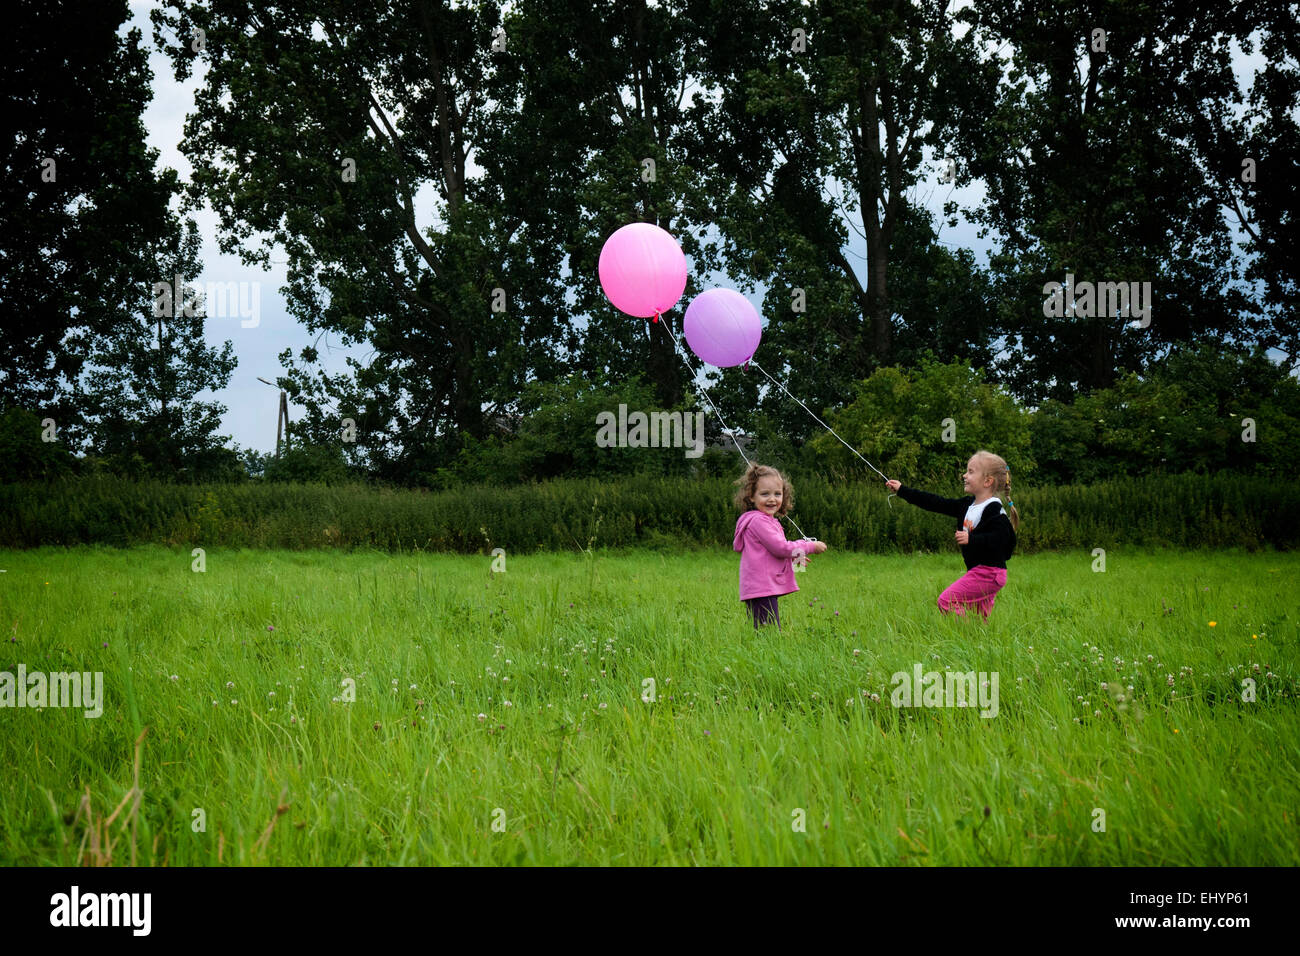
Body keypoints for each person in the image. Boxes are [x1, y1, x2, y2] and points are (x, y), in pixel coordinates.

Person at [885, 450, 1020, 619]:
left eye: (970, 472)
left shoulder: (993, 510)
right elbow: (936, 503)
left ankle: (967, 631)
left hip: (989, 573)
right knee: (980, 619)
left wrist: (972, 539)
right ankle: (973, 638)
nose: (964, 475)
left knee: (946, 601)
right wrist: (902, 490)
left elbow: (1002, 540)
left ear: (987, 481)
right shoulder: (967, 505)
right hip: (981, 572)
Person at [733, 463, 827, 629]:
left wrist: (794, 559)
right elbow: (781, 548)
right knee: (768, 634)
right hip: (761, 587)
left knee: (764, 631)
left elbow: (768, 555)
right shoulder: (758, 521)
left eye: (777, 493)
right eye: (764, 494)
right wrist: (810, 546)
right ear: (751, 497)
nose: (772, 499)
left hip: (760, 586)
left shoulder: (765, 520)